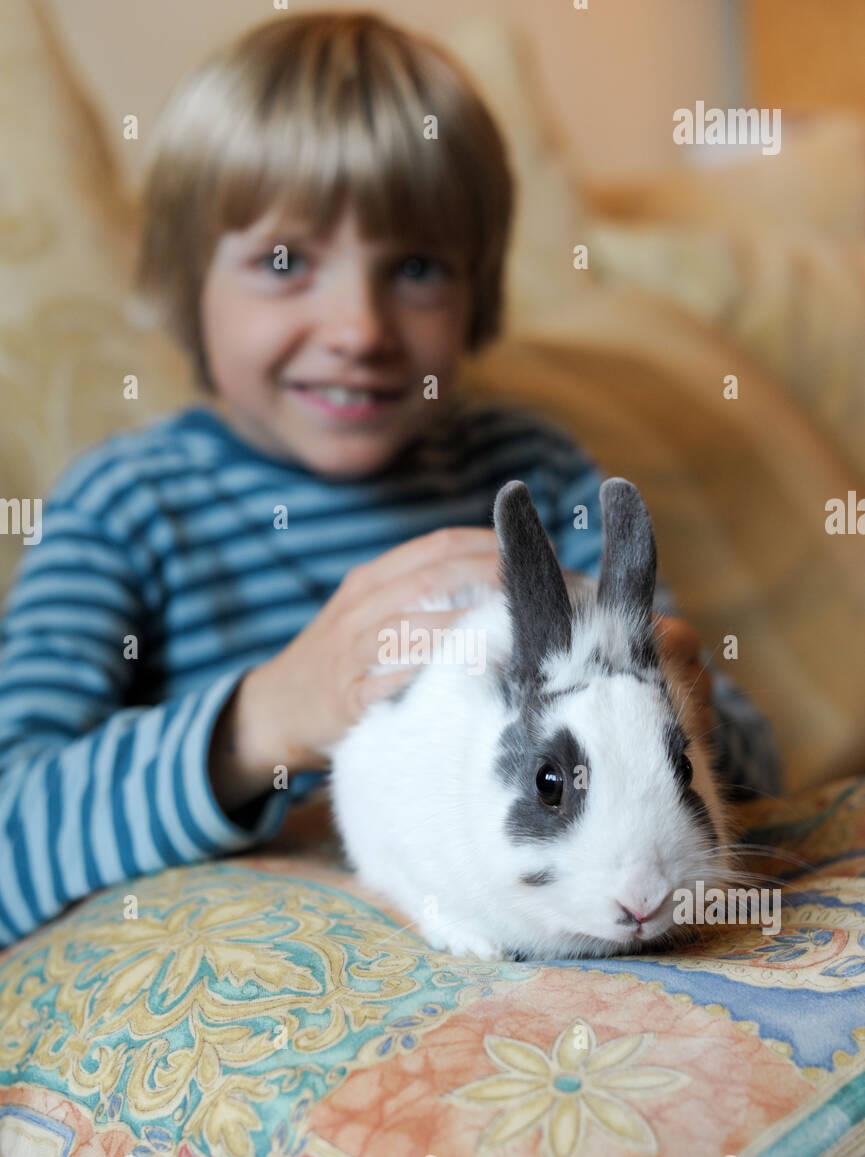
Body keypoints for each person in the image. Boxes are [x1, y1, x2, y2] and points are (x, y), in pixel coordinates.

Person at [0, 10, 781, 945]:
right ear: (181, 282)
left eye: (415, 268)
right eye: (284, 262)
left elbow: (753, 763)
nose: (359, 327)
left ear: (477, 294)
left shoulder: (532, 473)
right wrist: (260, 723)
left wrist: (672, 697)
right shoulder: (122, 506)